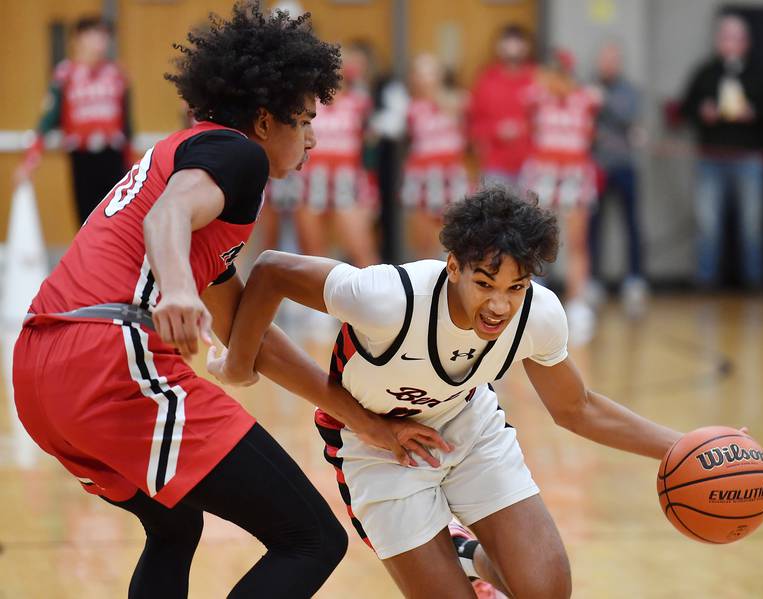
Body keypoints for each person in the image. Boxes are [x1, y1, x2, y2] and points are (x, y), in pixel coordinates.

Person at [12, 5, 446, 598]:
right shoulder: (236, 154)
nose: (314, 136)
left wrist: (365, 421)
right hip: (108, 360)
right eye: (305, 118)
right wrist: (179, 290)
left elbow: (249, 330)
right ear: (265, 120)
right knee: (313, 538)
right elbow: (168, 214)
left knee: (175, 524)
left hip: (39, 373)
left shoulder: (195, 156)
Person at [210, 186, 683, 598]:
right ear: (453, 266)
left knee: (546, 589)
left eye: (516, 287)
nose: (499, 305)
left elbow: (576, 406)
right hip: (373, 447)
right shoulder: (387, 299)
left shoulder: (537, 316)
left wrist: (681, 447)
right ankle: (459, 552)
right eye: (485, 283)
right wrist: (237, 362)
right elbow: (272, 270)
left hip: (467, 426)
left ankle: (470, 554)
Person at [679, 13, 763, 289]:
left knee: (752, 225)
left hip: (749, 159)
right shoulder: (705, 73)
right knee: (707, 225)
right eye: (725, 37)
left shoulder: (761, 74)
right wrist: (702, 112)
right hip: (711, 158)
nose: (730, 43)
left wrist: (753, 113)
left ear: (746, 42)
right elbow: (685, 109)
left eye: (736, 38)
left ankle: (755, 282)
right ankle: (706, 281)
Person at [15, 16, 132, 225]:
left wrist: (133, 166)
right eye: (95, 35)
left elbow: (128, 126)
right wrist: (30, 161)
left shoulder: (117, 75)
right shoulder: (65, 74)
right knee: (87, 221)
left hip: (113, 158)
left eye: (105, 36)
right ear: (78, 38)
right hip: (82, 157)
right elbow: (47, 120)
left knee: (118, 220)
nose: (101, 42)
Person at [519, 49, 602, 345]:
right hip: (544, 169)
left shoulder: (586, 99)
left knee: (576, 241)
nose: (546, 79)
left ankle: (577, 303)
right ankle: (529, 296)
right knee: (533, 237)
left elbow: (593, 129)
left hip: (575, 171)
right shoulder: (536, 97)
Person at [291, 43, 380, 268]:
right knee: (313, 254)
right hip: (312, 176)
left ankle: (376, 299)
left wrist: (370, 189)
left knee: (361, 249)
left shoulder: (360, 101)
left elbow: (370, 148)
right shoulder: (307, 101)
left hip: (347, 178)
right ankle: (316, 304)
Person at [589, 41, 648, 316]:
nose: (608, 64)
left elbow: (626, 117)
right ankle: (593, 281)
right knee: (593, 226)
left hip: (625, 166)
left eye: (613, 59)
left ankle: (635, 280)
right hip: (597, 167)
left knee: (632, 224)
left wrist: (602, 101)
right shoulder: (587, 88)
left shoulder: (629, 91)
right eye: (605, 59)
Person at [402, 53, 470, 259]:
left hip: (449, 172)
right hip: (421, 173)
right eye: (420, 72)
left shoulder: (458, 100)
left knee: (457, 238)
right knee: (423, 241)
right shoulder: (410, 107)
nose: (425, 78)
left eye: (429, 71)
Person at [468, 24, 537, 187]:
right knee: (495, 212)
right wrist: (496, 131)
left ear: (526, 47)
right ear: (499, 46)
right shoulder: (486, 80)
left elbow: (547, 119)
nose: (513, 48)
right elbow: (473, 122)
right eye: (508, 42)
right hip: (495, 164)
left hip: (532, 164)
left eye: (518, 42)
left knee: (530, 212)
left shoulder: (536, 78)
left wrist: (524, 128)